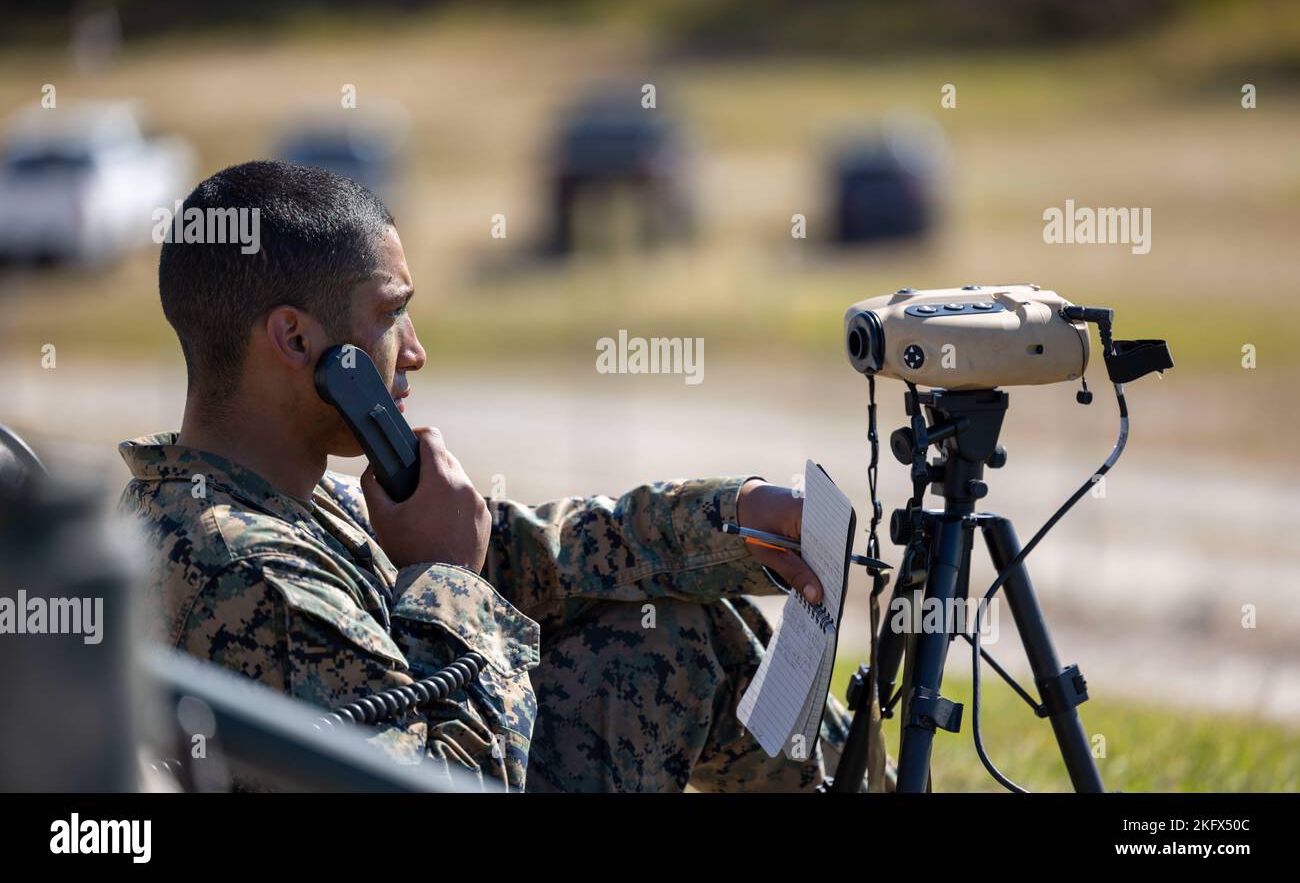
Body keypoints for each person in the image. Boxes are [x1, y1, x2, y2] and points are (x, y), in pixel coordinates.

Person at [119, 160, 864, 792]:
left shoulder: (257, 499)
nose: (413, 353)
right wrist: (448, 576)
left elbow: (522, 551)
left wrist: (730, 517)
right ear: (297, 339)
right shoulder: (251, 572)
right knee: (670, 648)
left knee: (679, 628)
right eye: (390, 314)